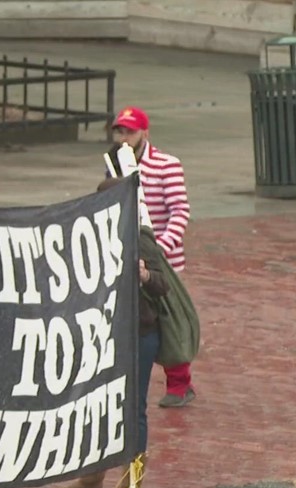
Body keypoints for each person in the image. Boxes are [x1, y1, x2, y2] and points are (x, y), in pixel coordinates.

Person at [58, 176, 170, 488]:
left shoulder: (141, 239)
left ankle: (132, 487)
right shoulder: (90, 239)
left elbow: (164, 285)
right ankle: (92, 479)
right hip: (102, 336)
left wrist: (145, 275)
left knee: (132, 411)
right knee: (97, 407)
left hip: (139, 336)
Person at [106, 106, 195, 408]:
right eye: (121, 130)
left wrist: (162, 247)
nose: (125, 137)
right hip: (132, 254)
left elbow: (180, 211)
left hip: (164, 257)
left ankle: (180, 384)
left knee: (169, 319)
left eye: (130, 131)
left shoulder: (167, 165)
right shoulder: (114, 164)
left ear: (145, 131)